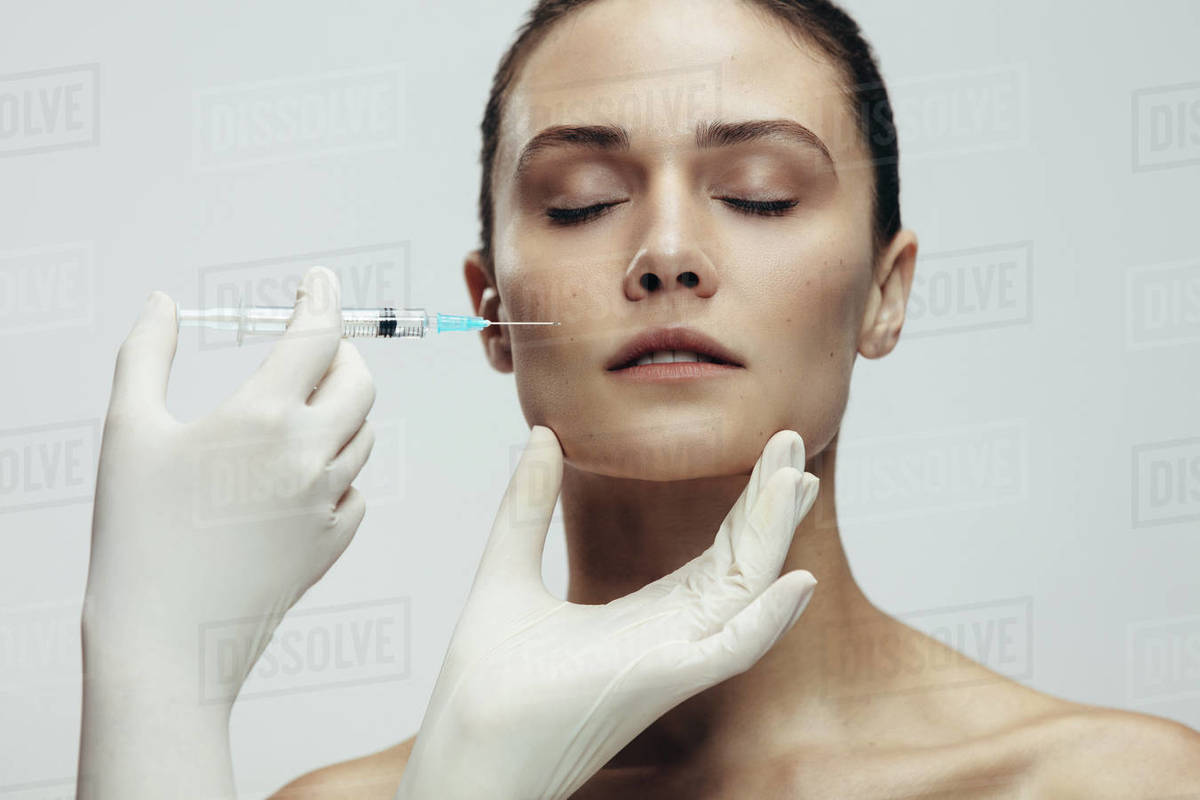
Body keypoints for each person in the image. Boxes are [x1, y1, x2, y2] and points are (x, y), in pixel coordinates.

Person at [271, 0, 1200, 797]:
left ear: (886, 292)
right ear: (494, 313)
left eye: (759, 195)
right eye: (580, 201)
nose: (667, 252)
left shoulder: (1118, 785)